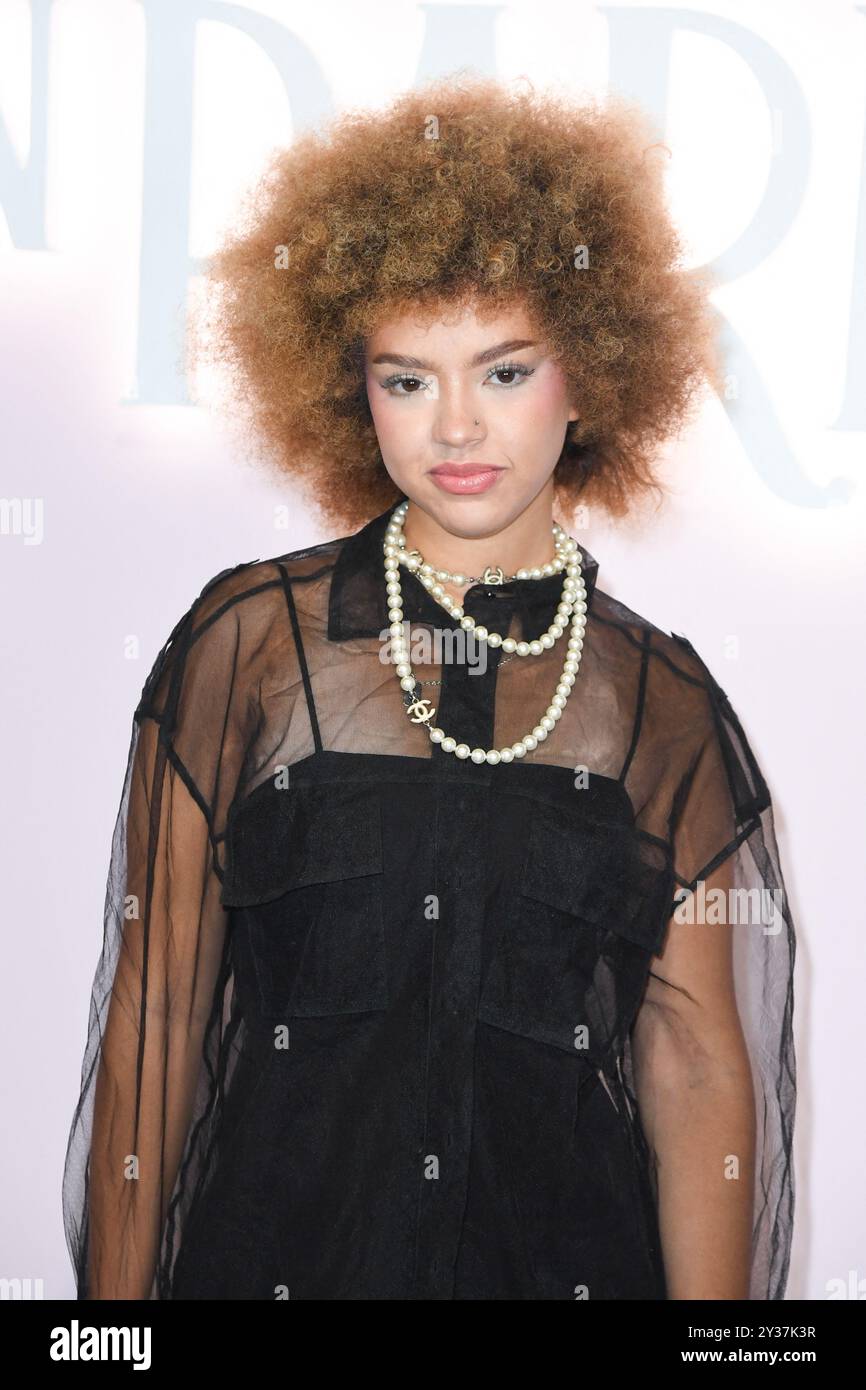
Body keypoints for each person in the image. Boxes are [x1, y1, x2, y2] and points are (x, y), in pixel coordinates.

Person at [62, 73, 796, 1300]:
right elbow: (154, 1023)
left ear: (588, 369)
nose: (455, 426)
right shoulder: (246, 649)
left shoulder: (656, 702)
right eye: (407, 378)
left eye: (504, 372)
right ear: (353, 387)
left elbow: (694, 1071)